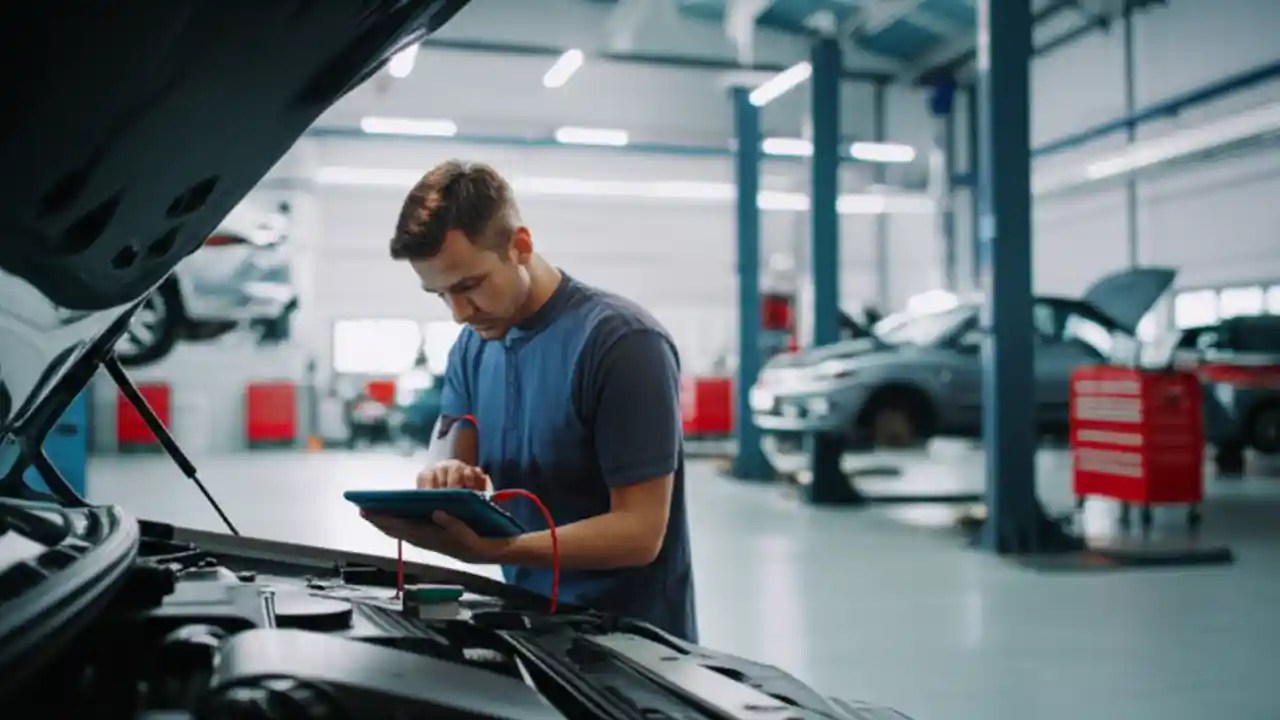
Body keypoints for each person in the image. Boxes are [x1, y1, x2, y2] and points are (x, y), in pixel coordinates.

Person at [361, 160, 698, 642]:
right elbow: (451, 446)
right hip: (529, 624)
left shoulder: (622, 344)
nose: (459, 313)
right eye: (440, 295)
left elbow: (640, 532)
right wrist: (445, 476)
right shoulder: (473, 348)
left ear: (520, 246)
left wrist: (499, 550)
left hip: (633, 644)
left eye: (469, 286)